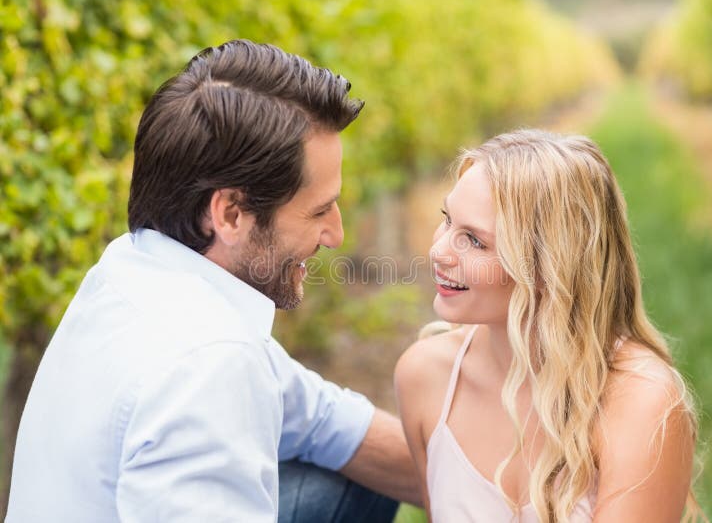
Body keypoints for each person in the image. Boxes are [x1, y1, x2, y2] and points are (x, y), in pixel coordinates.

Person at [7, 40, 419, 522]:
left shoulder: (131, 270)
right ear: (230, 213)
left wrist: (498, 497)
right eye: (319, 210)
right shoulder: (209, 364)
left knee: (350, 475)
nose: (336, 233)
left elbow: (322, 419)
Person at [394, 129, 702, 522]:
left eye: (473, 240)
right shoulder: (425, 376)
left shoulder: (641, 401)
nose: (438, 251)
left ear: (549, 267)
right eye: (446, 220)